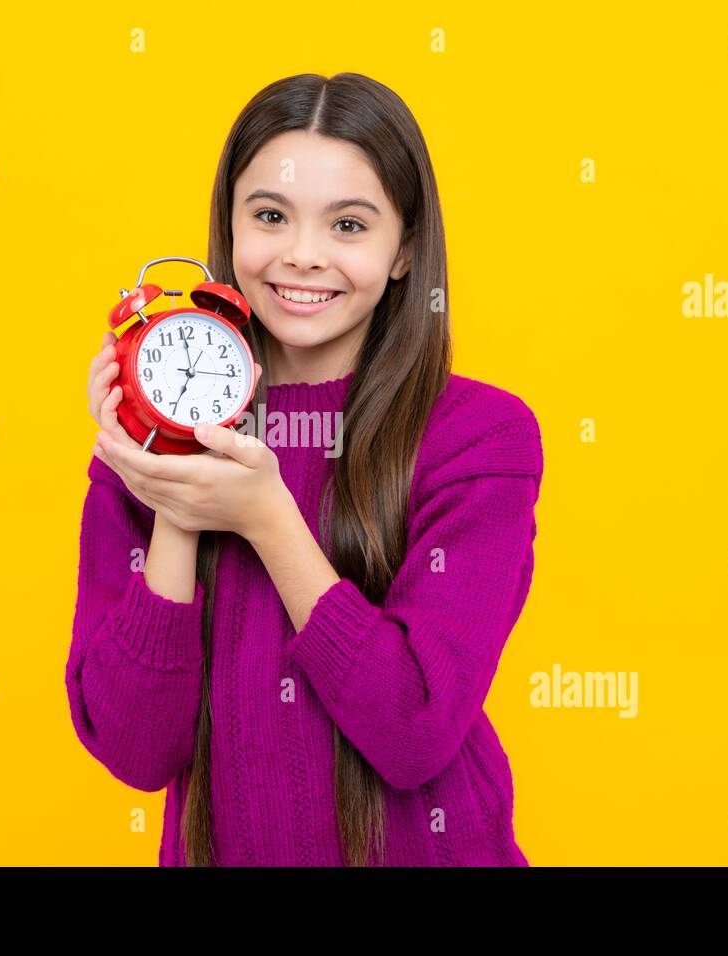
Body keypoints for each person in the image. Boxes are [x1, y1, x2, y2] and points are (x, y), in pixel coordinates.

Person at [67, 72, 543, 866]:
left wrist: (266, 517)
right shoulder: (150, 432)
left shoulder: (480, 438)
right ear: (229, 228)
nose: (302, 255)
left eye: (349, 224)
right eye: (270, 216)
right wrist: (175, 487)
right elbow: (136, 749)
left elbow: (414, 726)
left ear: (405, 253)